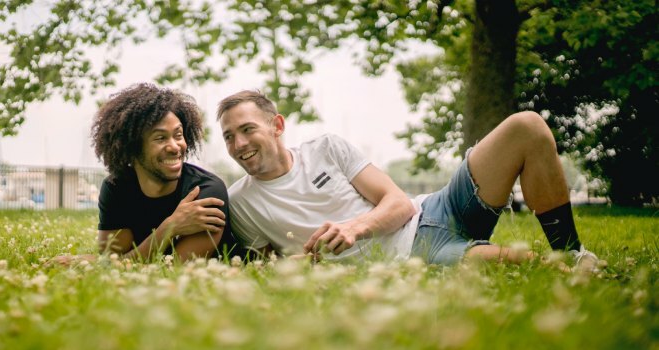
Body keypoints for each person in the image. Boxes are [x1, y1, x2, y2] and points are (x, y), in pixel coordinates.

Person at [218, 90, 598, 269]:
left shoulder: (326, 149)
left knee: (526, 127)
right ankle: (565, 266)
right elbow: (263, 264)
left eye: (247, 129)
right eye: (229, 137)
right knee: (532, 266)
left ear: (277, 125)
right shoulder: (243, 202)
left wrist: (356, 227)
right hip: (416, 255)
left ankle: (573, 250)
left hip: (437, 208)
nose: (239, 144)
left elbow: (398, 203)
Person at [53, 83, 242, 265]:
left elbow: (173, 268)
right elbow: (112, 261)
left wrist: (167, 228)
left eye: (178, 135)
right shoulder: (117, 188)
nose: (175, 147)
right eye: (160, 138)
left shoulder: (206, 191)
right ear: (132, 148)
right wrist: (170, 227)